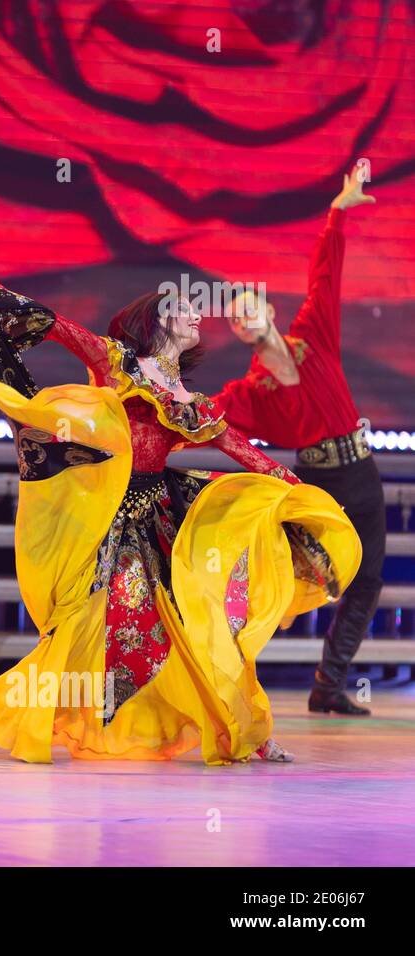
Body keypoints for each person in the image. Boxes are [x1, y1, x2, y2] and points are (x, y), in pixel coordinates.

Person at [0, 267, 362, 765]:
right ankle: (40, 714)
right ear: (157, 320)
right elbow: (51, 324)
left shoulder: (189, 402)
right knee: (86, 621)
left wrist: (298, 489)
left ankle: (247, 733)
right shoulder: (115, 361)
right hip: (104, 513)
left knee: (202, 625)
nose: (196, 315)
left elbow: (241, 449)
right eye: (184, 308)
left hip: (161, 519)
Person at [213, 167, 380, 716]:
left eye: (249, 307)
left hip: (360, 473)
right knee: (287, 581)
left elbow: (325, 276)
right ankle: (229, 671)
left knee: (367, 579)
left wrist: (338, 211)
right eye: (236, 317)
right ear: (238, 332)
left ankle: (328, 686)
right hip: (317, 487)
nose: (244, 317)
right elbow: (203, 418)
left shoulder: (314, 332)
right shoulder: (251, 391)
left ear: (269, 310)